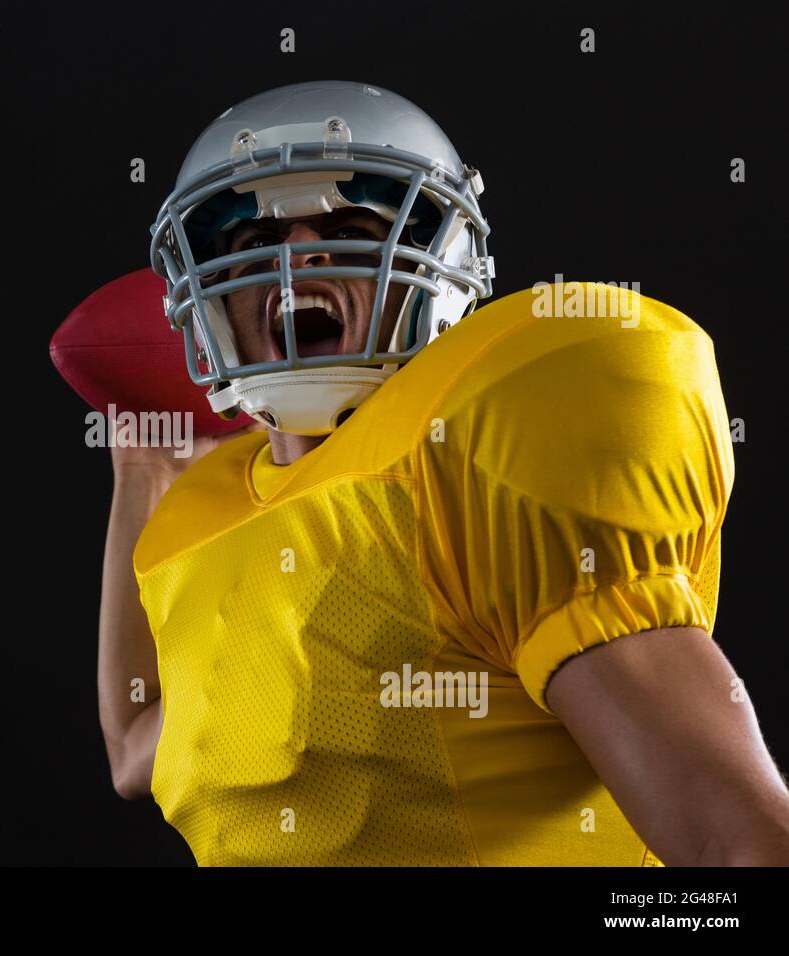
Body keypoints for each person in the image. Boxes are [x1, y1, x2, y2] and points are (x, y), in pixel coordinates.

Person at [97, 80, 789, 865]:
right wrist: (145, 472)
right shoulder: (207, 510)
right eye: (253, 240)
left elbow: (741, 845)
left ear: (443, 264)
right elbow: (135, 745)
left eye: (349, 224)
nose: (300, 255)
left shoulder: (478, 444)